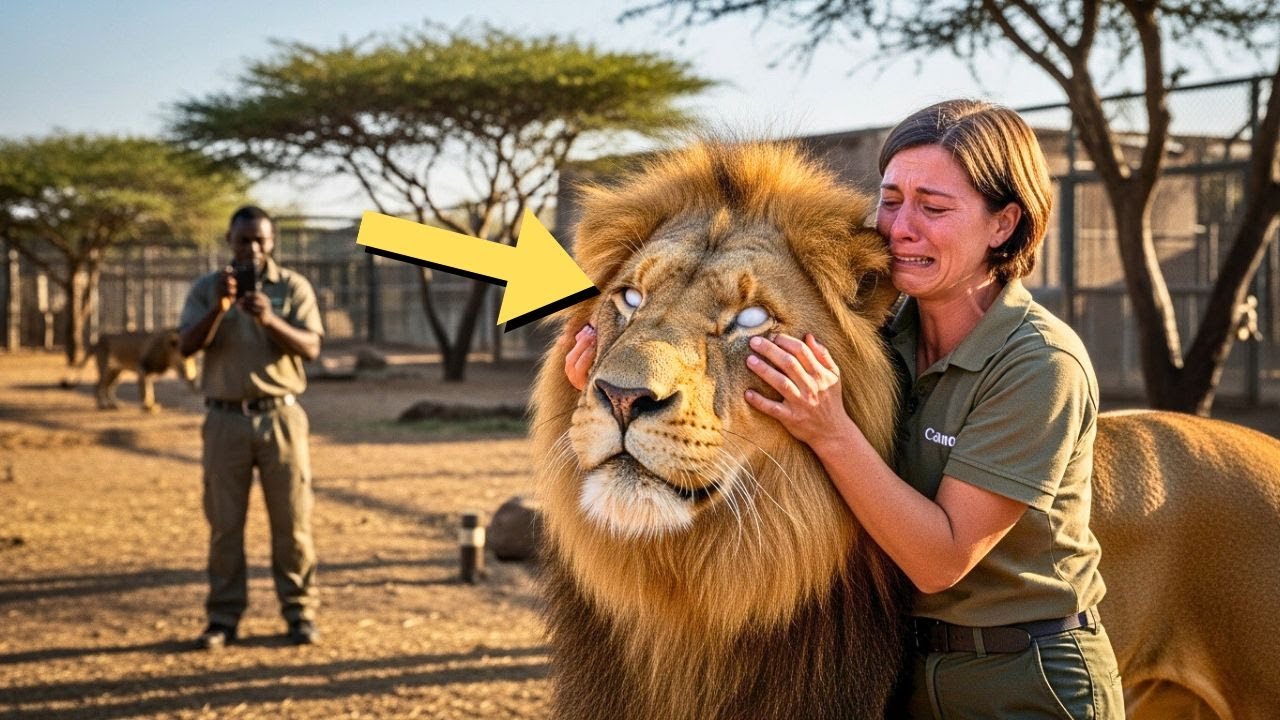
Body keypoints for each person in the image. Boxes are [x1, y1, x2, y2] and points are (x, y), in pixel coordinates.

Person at [560, 101, 1123, 718]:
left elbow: (940, 561)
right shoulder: (880, 330)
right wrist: (599, 370)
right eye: (890, 200)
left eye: (934, 208)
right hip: (909, 669)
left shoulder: (1040, 364)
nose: (900, 229)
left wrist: (833, 431)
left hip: (1022, 673)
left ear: (1002, 224)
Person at [179, 205, 324, 649]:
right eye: (244, 240)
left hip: (280, 418)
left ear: (272, 241)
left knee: (293, 523)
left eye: (261, 240)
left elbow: (312, 347)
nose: (253, 249)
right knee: (225, 526)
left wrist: (270, 319)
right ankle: (222, 619)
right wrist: (219, 310)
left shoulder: (293, 287)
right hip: (224, 420)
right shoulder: (207, 289)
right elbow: (185, 345)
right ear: (230, 241)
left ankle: (300, 615)